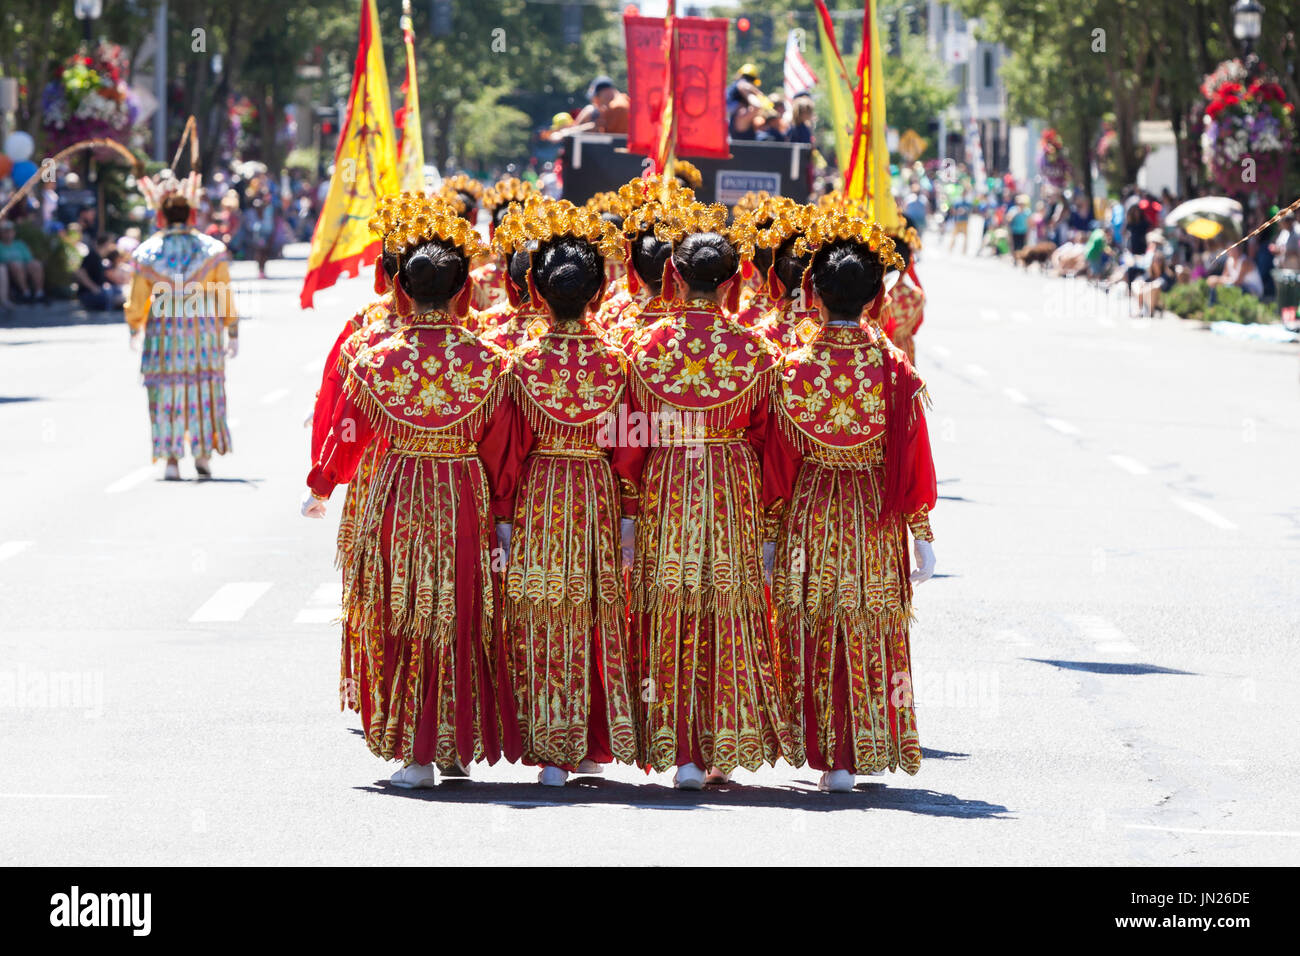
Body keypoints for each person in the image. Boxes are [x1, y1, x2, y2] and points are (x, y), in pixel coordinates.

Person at [303, 194, 521, 787]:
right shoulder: (492, 361)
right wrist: (503, 513)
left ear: (400, 289)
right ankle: (453, 744)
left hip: (397, 492)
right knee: (460, 614)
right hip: (464, 495)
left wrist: (323, 483)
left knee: (403, 612)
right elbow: (500, 450)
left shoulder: (374, 359)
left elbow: (345, 432)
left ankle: (416, 754)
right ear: (460, 294)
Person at [614, 202, 800, 789]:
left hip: (668, 480)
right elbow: (772, 441)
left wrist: (625, 511)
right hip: (731, 485)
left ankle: (679, 749)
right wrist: (772, 524)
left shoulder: (644, 348)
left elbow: (627, 438)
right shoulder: (758, 353)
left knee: (671, 604)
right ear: (733, 277)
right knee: (725, 605)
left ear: (676, 271)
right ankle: (719, 744)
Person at [762, 212, 937, 793]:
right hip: (873, 512)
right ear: (875, 298)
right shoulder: (894, 369)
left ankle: (824, 751)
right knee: (869, 623)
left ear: (812, 290)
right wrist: (921, 533)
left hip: (811, 506)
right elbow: (911, 461)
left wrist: (767, 530)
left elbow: (778, 462)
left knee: (814, 620)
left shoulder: (791, 367)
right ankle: (864, 746)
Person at [491, 199, 639, 786]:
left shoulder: (519, 363)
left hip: (540, 494)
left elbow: (506, 449)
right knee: (594, 609)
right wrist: (629, 516)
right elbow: (629, 448)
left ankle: (549, 745)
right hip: (597, 494)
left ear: (536, 288)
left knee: (542, 612)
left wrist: (502, 515)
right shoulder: (616, 362)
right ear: (599, 292)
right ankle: (586, 744)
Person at [124, 171, 237, 480]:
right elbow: (224, 293)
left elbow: (137, 301)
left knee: (166, 393)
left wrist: (135, 326)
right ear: (191, 212)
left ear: (160, 213)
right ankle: (202, 456)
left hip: (164, 336)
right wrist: (232, 330)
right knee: (203, 388)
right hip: (203, 334)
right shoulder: (211, 251)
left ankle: (172, 460)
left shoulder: (146, 253)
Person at [880, 226, 925, 364]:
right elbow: (916, 328)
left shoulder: (873, 294)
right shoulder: (916, 296)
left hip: (878, 353)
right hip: (904, 354)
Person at [0, 220, 45, 302]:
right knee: (16, 265)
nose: (8, 234)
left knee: (36, 264)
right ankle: (26, 293)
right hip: (8, 268)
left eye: (10, 231)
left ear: (14, 232)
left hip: (23, 265)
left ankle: (39, 294)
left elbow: (29, 259)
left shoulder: (20, 244)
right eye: (5, 232)